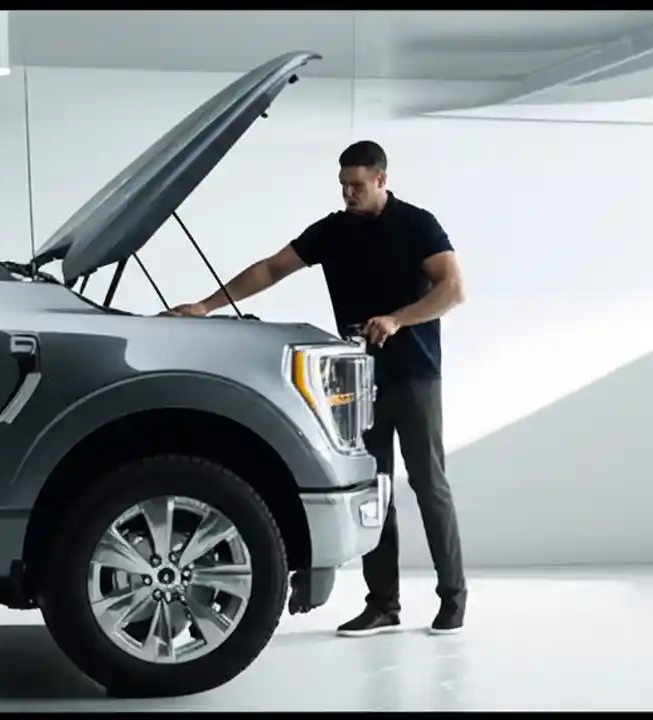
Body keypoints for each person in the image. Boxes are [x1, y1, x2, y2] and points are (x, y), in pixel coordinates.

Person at [168, 140, 468, 636]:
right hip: (356, 381)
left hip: (414, 377)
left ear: (381, 180)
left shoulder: (417, 224)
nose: (348, 194)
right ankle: (383, 604)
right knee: (375, 490)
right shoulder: (332, 231)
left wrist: (397, 320)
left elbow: (453, 289)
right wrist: (206, 305)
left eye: (357, 185)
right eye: (342, 186)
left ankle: (453, 598)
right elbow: (271, 268)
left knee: (429, 487)